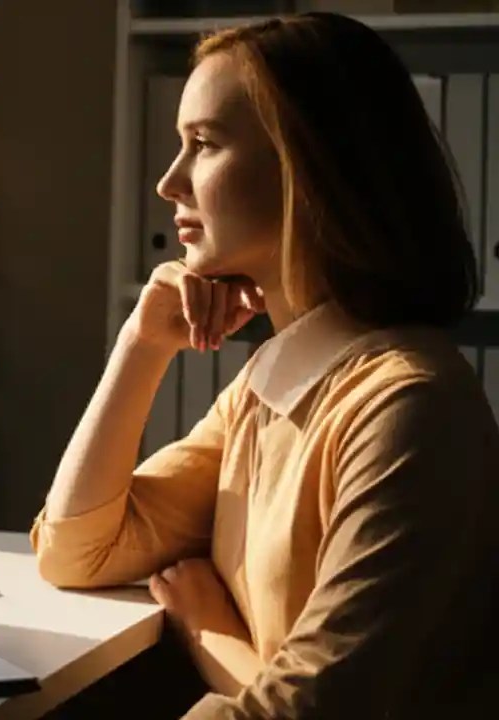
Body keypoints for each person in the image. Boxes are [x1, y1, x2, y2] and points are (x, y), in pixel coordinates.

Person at [32, 12, 499, 718]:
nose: (168, 183)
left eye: (205, 144)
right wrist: (141, 346)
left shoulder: (411, 409)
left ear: (314, 166)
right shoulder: (271, 387)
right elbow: (78, 551)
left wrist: (208, 628)